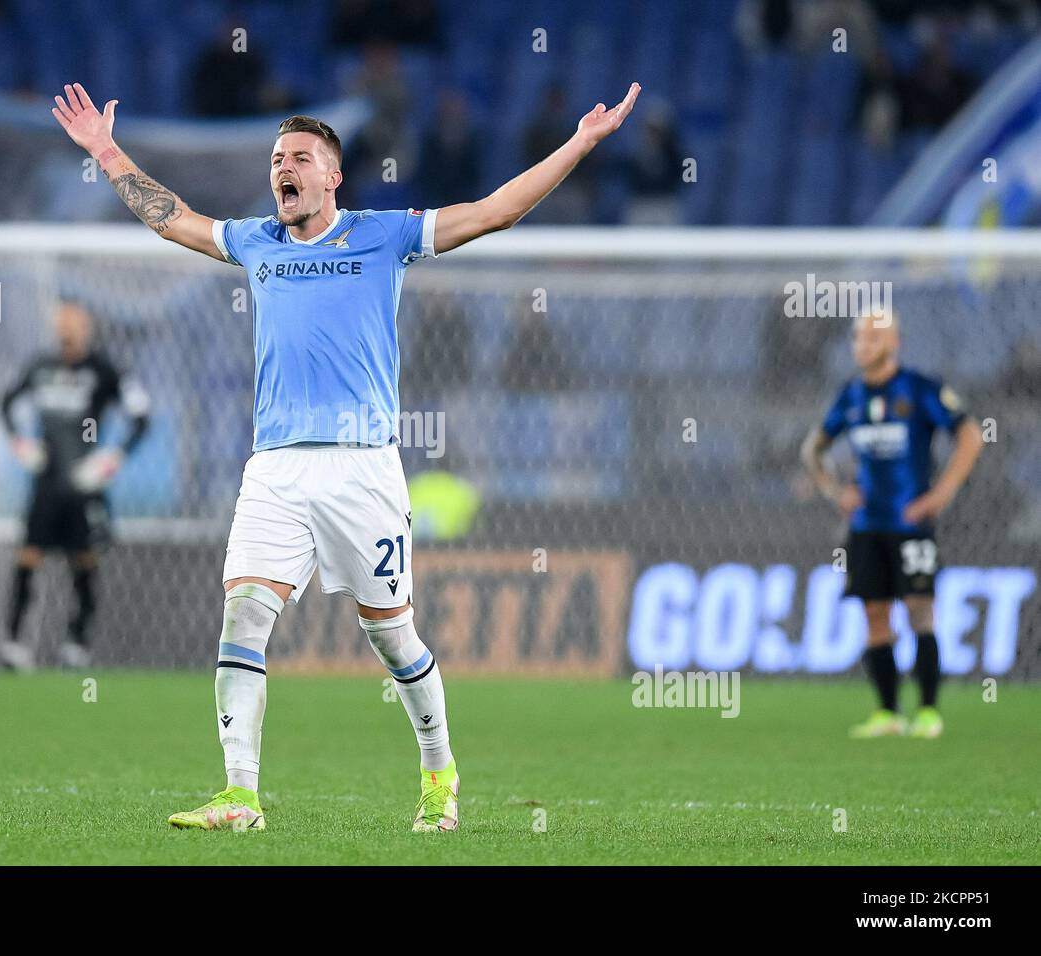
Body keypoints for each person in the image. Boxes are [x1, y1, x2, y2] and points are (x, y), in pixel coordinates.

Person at [51, 78, 640, 831]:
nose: (281, 169)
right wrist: (105, 150)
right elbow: (176, 222)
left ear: (332, 174)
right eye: (275, 159)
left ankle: (439, 773)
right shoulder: (256, 242)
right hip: (274, 468)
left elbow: (497, 211)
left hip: (362, 467)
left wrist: (581, 142)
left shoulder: (382, 235)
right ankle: (240, 795)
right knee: (243, 616)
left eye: (297, 157)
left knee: (392, 637)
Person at [801, 310, 983, 739]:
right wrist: (835, 491)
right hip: (866, 526)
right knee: (875, 614)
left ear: (894, 341)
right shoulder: (850, 396)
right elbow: (813, 448)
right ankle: (887, 712)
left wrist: (941, 494)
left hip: (910, 524)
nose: (862, 344)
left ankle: (928, 711)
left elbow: (970, 435)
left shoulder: (920, 389)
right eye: (858, 337)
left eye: (872, 336)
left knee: (919, 609)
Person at [0, 301, 150, 671]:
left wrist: (111, 459)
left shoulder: (104, 371)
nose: (65, 332)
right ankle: (15, 644)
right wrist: (21, 442)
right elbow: (4, 403)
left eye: (73, 325)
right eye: (60, 324)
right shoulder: (40, 367)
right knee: (29, 556)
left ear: (87, 329)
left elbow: (141, 417)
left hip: (84, 484)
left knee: (84, 561)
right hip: (47, 483)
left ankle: (76, 643)